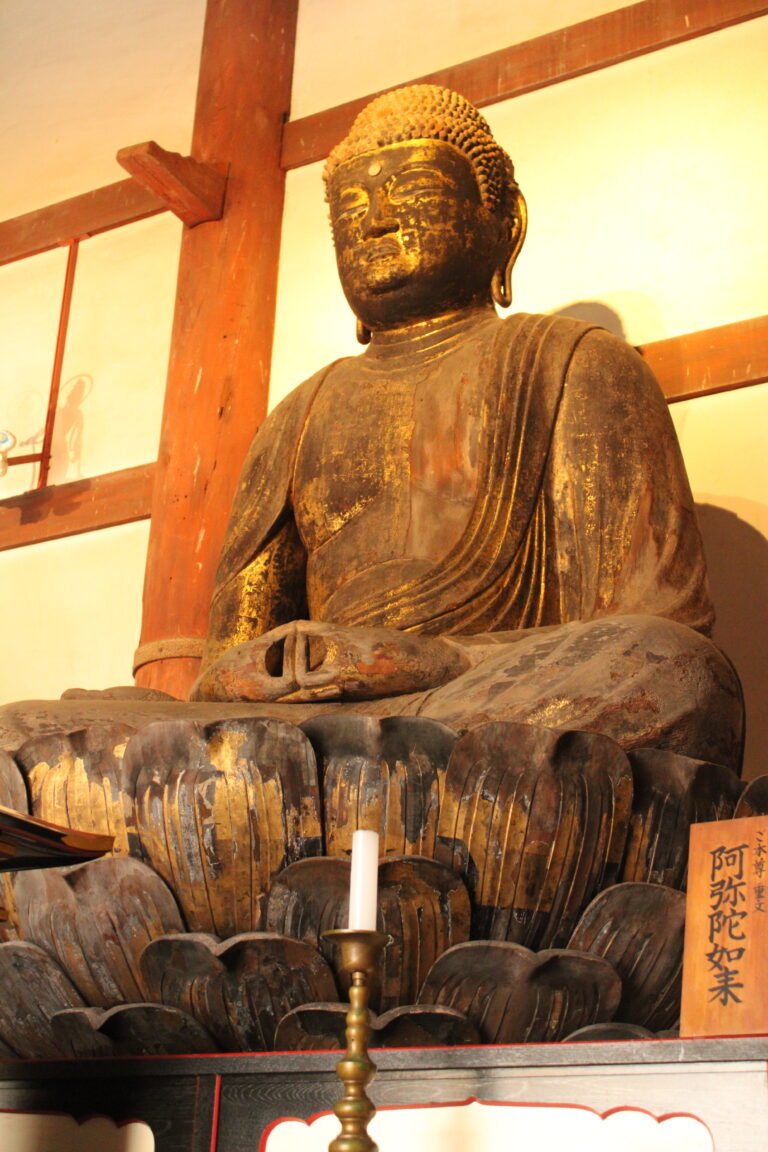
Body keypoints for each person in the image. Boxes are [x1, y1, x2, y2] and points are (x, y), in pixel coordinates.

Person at [190, 84, 742, 769]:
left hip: (483, 707)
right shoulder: (296, 418)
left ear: (502, 223)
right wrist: (262, 669)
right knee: (31, 726)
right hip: (312, 732)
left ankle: (361, 770)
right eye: (350, 210)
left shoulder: (575, 364)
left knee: (671, 669)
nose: (377, 221)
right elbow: (219, 675)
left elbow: (659, 626)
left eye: (411, 190)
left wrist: (434, 661)